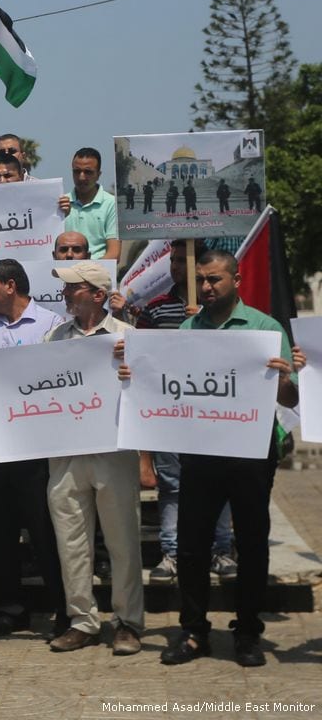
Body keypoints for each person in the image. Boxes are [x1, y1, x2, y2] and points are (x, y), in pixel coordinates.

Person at [121, 250, 299, 668]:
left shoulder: (265, 329)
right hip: (200, 453)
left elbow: (290, 401)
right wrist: (136, 380)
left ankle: (248, 631)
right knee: (192, 545)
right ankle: (194, 630)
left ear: (236, 279)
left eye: (215, 279)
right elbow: (167, 387)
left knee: (253, 543)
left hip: (251, 453)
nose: (206, 287)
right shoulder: (188, 329)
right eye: (201, 280)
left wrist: (284, 379)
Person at [42, 263, 143, 655]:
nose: (66, 294)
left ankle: (127, 623)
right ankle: (82, 620)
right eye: (66, 288)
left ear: (99, 295)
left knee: (123, 543)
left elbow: (146, 395)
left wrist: (130, 368)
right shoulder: (55, 338)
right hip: (66, 455)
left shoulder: (127, 337)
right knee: (71, 543)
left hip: (113, 452)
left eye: (74, 288)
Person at [0, 259, 68, 638]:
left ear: (10, 286)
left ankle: (63, 608)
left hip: (37, 448)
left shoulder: (51, 325)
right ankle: (10, 609)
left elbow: (59, 377)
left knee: (45, 530)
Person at [135, 241, 237, 585]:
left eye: (185, 260)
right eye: (174, 260)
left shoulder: (225, 311)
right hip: (171, 419)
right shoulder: (155, 309)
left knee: (221, 484)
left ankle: (221, 550)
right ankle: (172, 553)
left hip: (215, 418)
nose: (179, 267)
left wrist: (206, 326)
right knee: (173, 487)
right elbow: (144, 366)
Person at [63, 148, 120, 260]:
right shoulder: (61, 204)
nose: (81, 177)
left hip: (98, 273)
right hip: (63, 273)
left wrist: (88, 271)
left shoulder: (112, 204)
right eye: (77, 171)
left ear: (98, 174)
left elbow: (114, 254)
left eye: (88, 172)